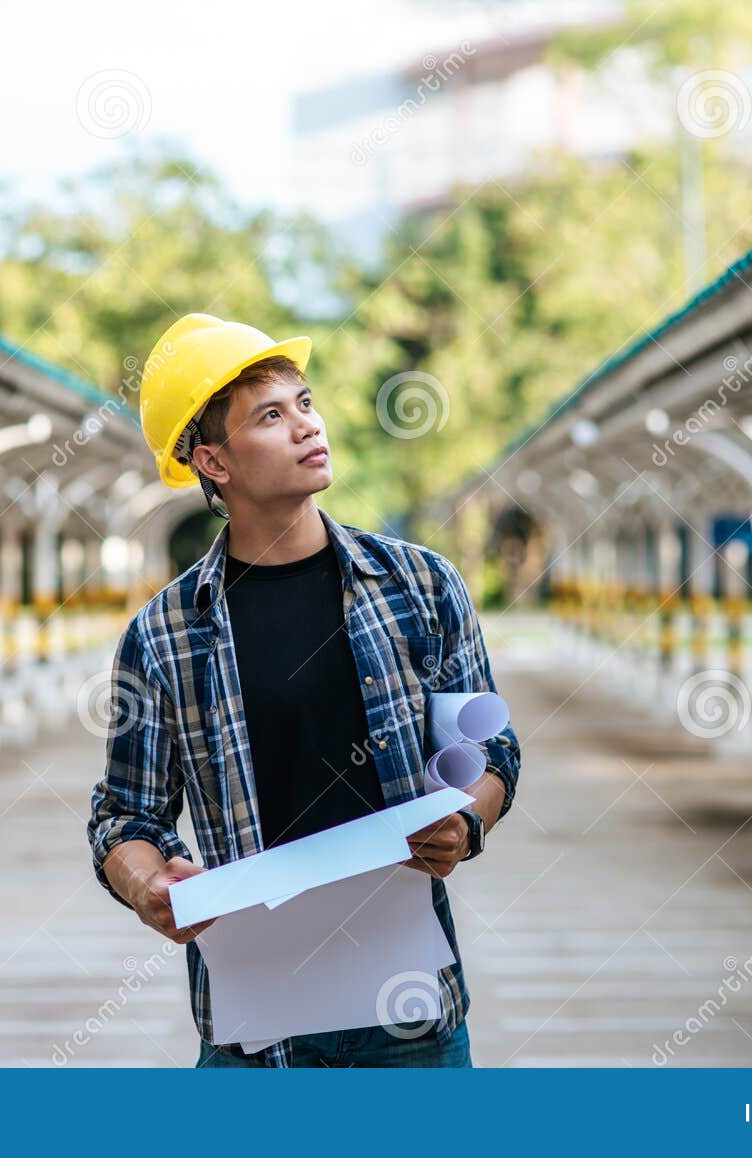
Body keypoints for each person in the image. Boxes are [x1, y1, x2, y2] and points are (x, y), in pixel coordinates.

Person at [86, 313, 521, 1067]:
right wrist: (148, 882)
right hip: (256, 1034)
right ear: (213, 461)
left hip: (408, 1020)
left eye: (306, 403)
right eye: (271, 416)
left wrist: (466, 821)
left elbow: (493, 755)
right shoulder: (163, 636)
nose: (305, 427)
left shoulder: (420, 587)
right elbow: (124, 814)